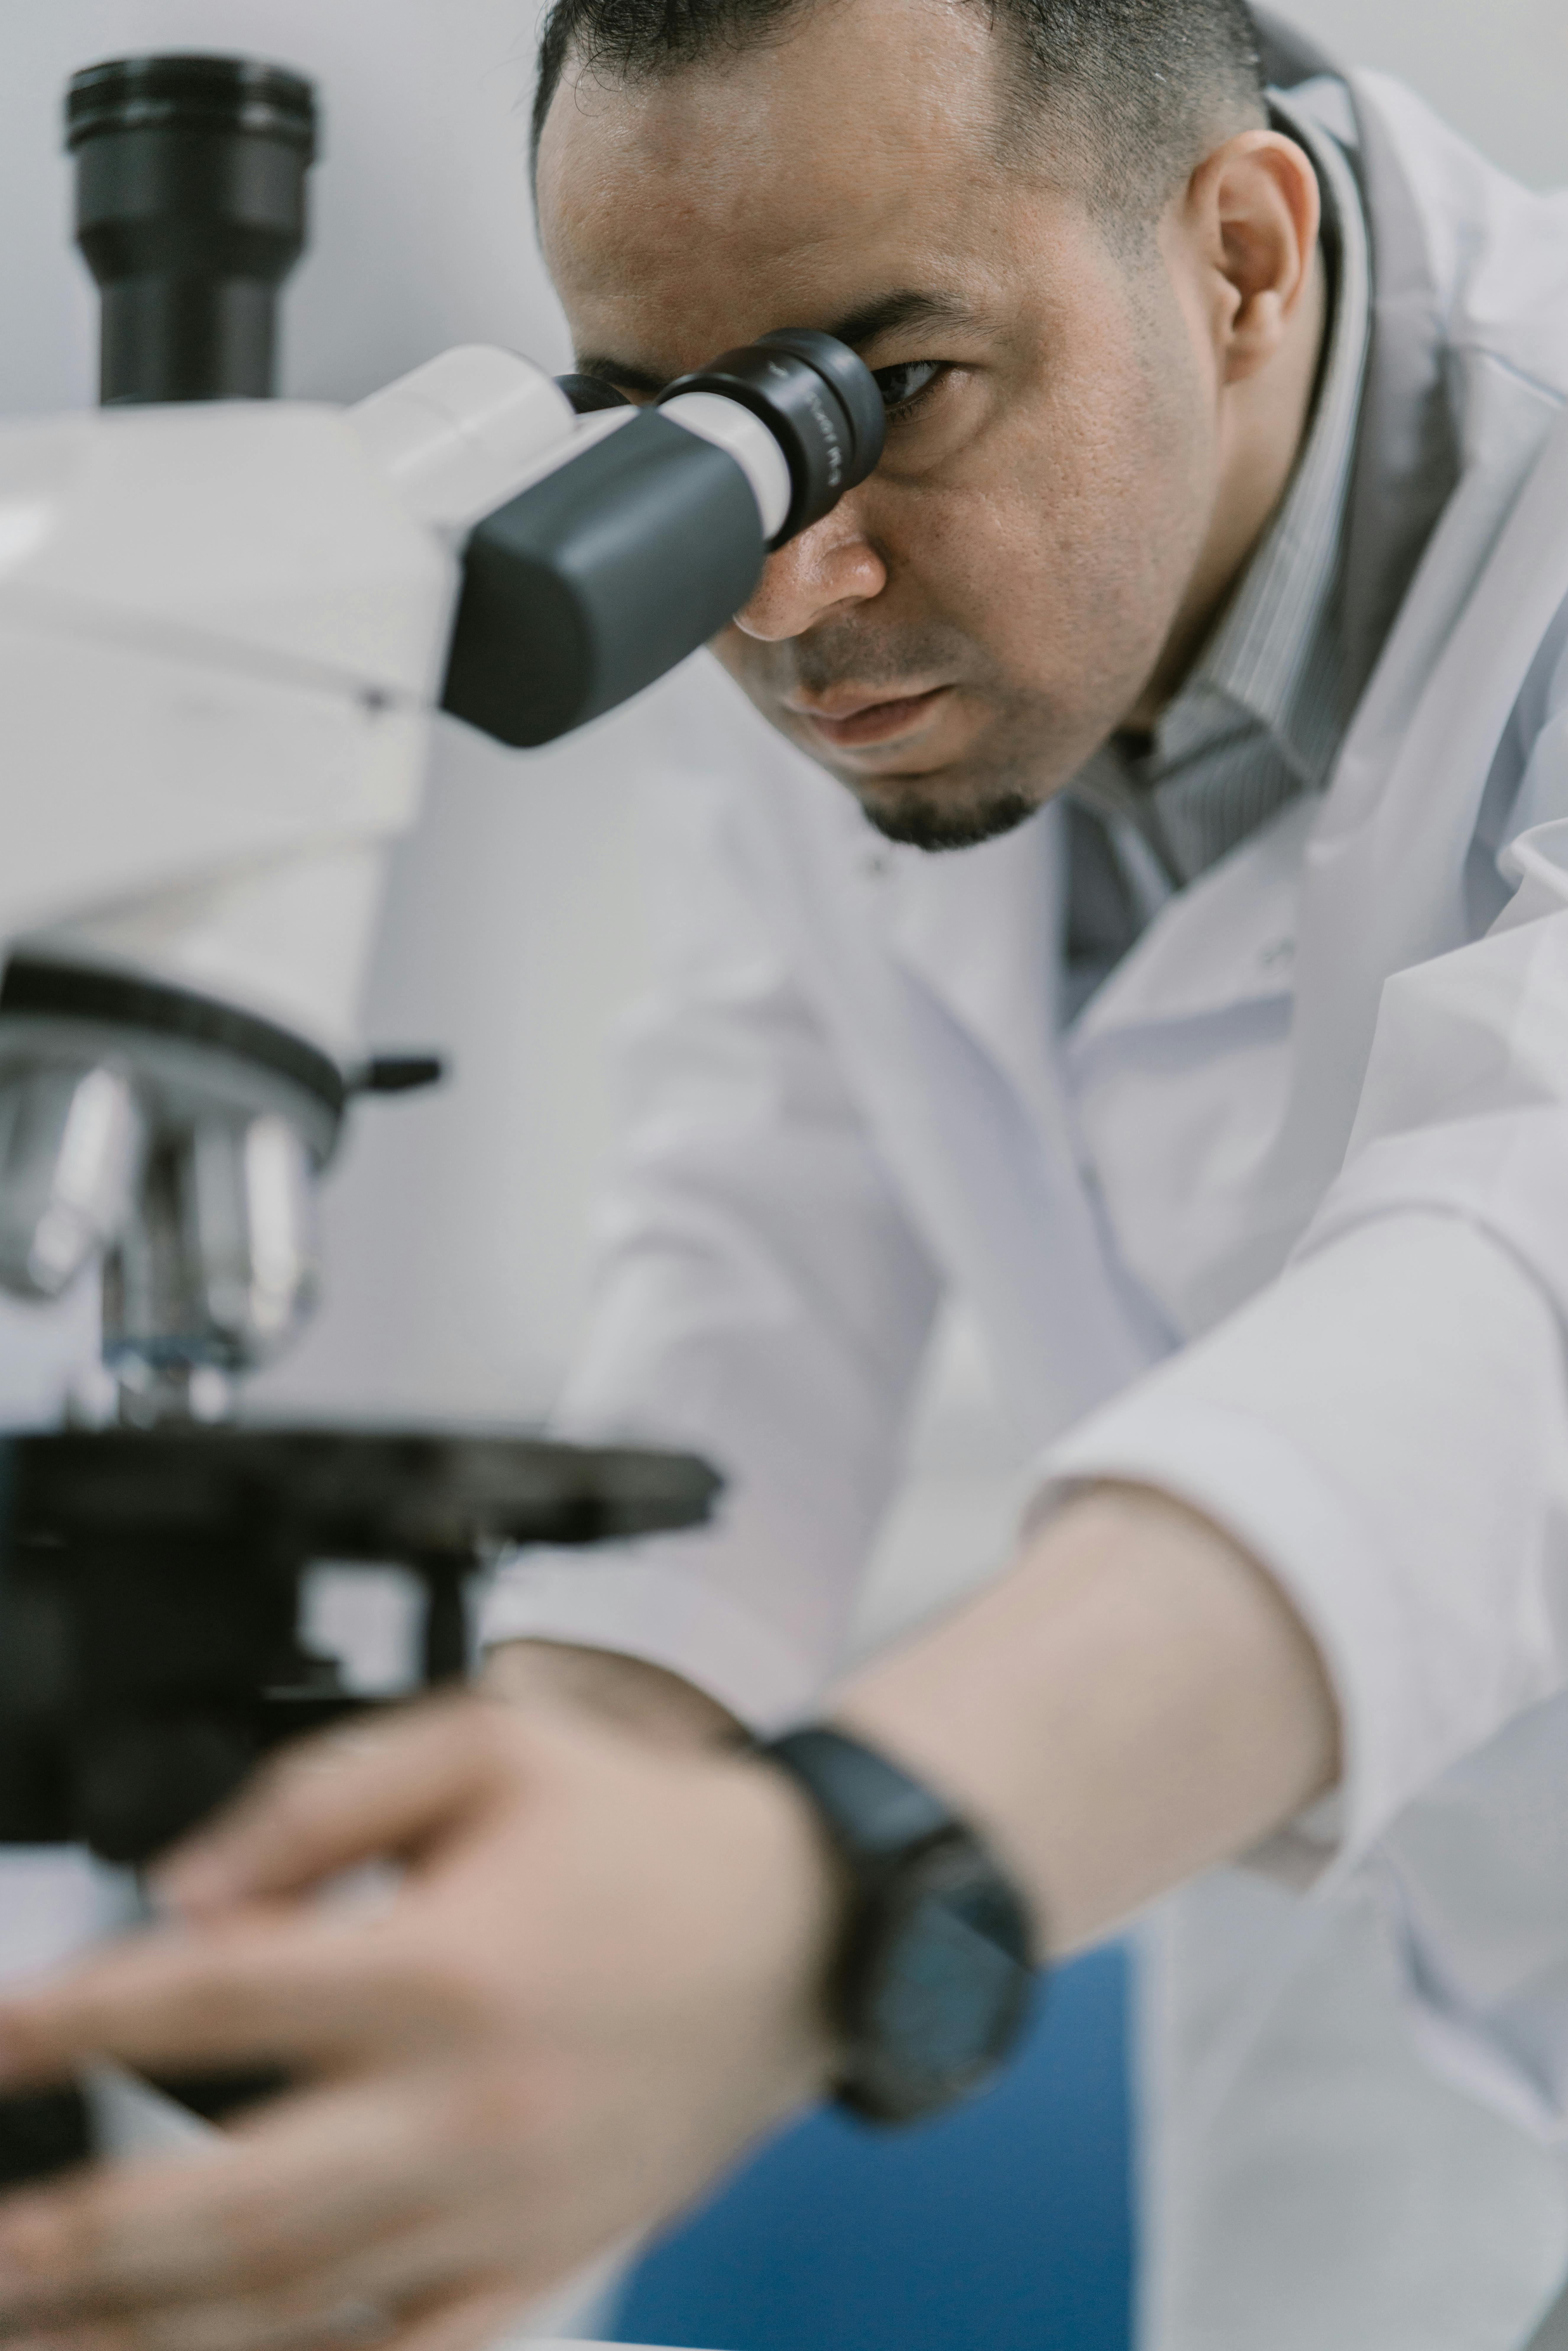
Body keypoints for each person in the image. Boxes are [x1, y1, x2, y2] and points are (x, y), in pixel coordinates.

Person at [3, 2, 1568, 2345]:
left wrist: (804, 1894)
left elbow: (1510, 1312)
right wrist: (482, 1882)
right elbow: (748, 1271)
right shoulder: (842, 590)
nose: (778, 589)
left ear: (1241, 257)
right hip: (1373, 1912)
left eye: (896, 381)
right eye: (675, 432)